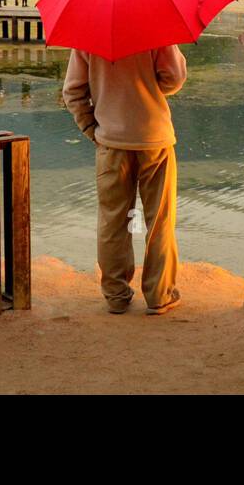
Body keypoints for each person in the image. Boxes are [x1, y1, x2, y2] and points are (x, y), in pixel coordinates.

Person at [62, 45, 187, 315]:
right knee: (159, 220)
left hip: (111, 141)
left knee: (113, 221)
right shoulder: (156, 29)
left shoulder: (88, 35)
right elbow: (174, 78)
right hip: (154, 138)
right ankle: (159, 295)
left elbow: (73, 91)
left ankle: (116, 295)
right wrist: (148, 86)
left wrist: (89, 127)